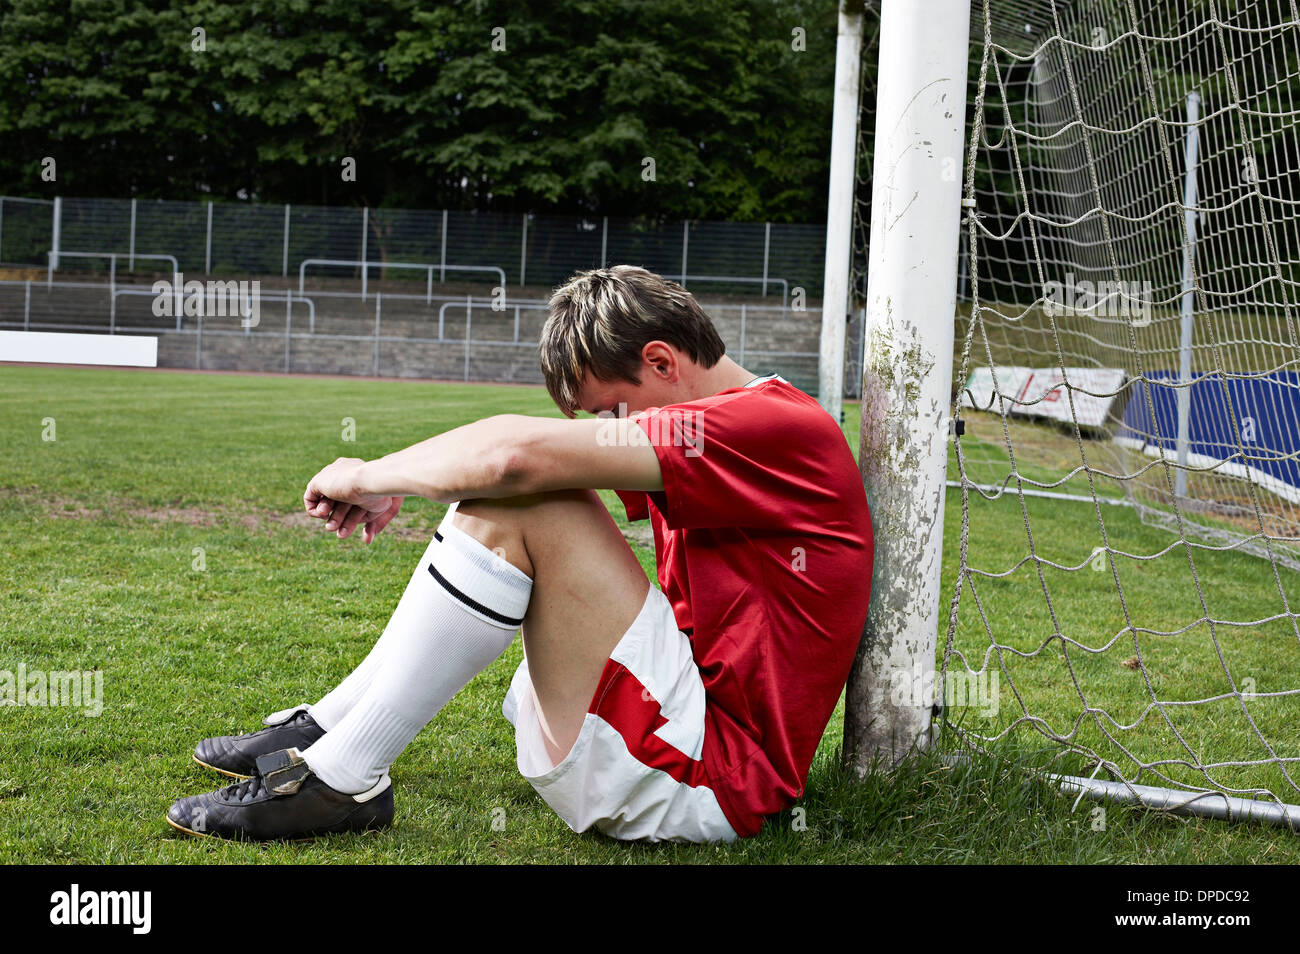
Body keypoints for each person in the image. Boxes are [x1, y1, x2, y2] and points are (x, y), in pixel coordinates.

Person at [165, 265, 874, 843]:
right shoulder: (743, 423)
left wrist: (365, 475)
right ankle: (335, 728)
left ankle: (343, 779)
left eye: (606, 414)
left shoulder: (773, 427)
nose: (600, 433)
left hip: (712, 777)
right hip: (684, 724)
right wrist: (396, 483)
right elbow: (507, 459)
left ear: (660, 360)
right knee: (526, 491)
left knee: (531, 496)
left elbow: (512, 457)